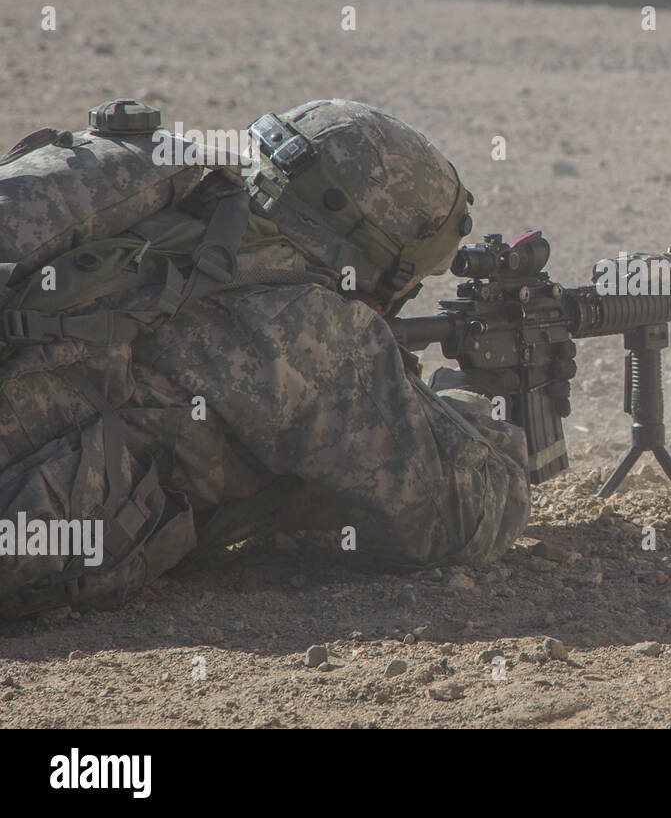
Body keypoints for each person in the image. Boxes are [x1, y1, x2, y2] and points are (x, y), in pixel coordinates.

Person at [0, 99, 532, 617]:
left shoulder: (184, 207)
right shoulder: (302, 323)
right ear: (379, 262)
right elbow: (467, 516)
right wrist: (472, 410)